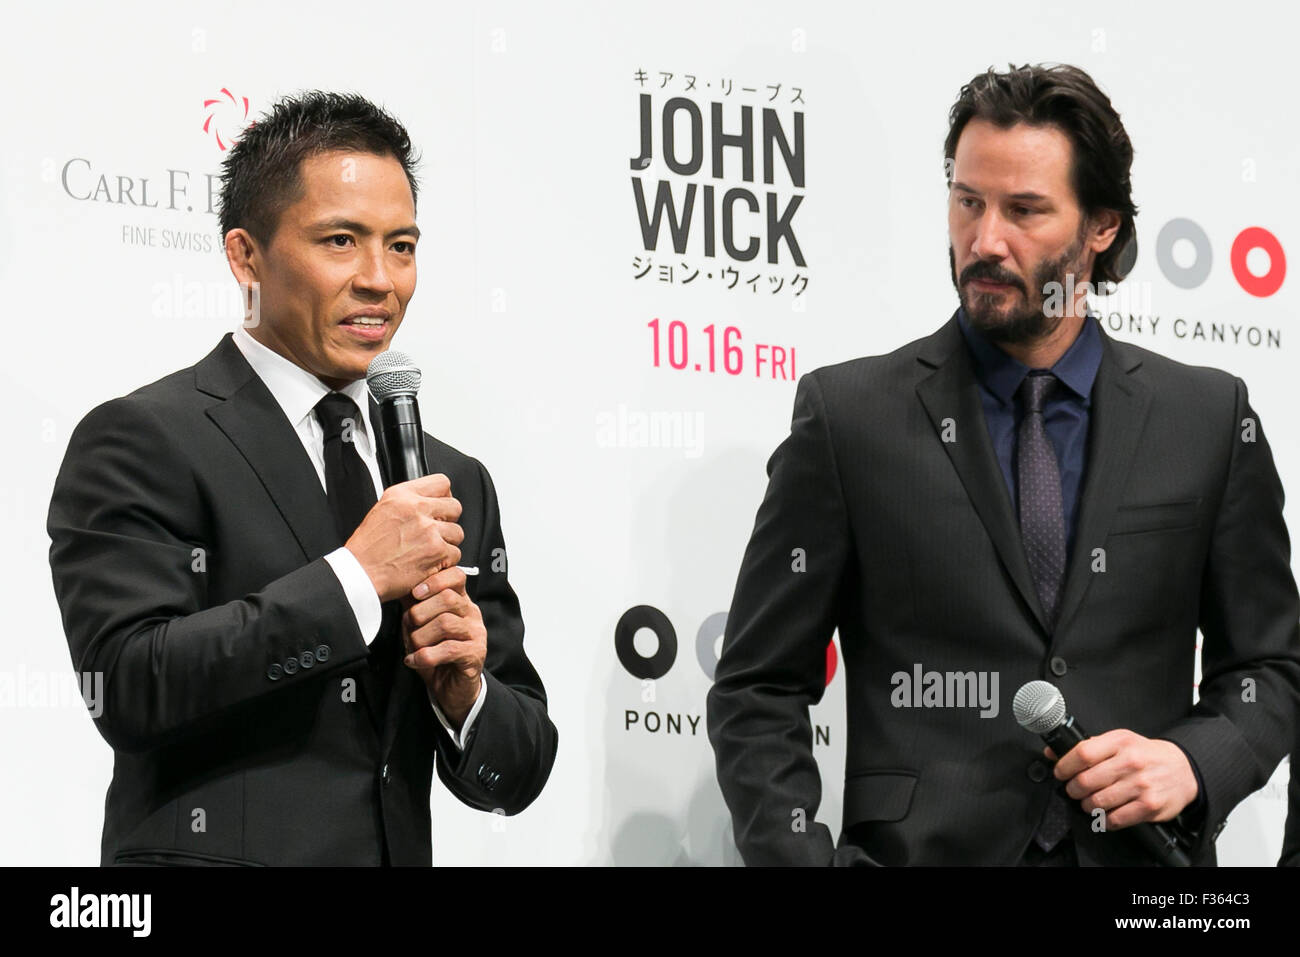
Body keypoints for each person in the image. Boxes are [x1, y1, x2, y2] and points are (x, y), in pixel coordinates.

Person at [707, 63, 1300, 866]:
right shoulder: (849, 416)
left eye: (1024, 210)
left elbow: (1270, 663)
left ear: (1101, 227)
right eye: (967, 201)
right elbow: (757, 685)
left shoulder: (1207, 417)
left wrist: (1196, 760)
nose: (985, 240)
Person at [47, 91, 557, 866]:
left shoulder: (451, 480)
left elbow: (515, 774)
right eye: (341, 240)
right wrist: (355, 577)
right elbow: (125, 684)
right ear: (246, 256)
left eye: (403, 245)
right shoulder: (145, 437)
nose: (380, 280)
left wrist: (466, 697)